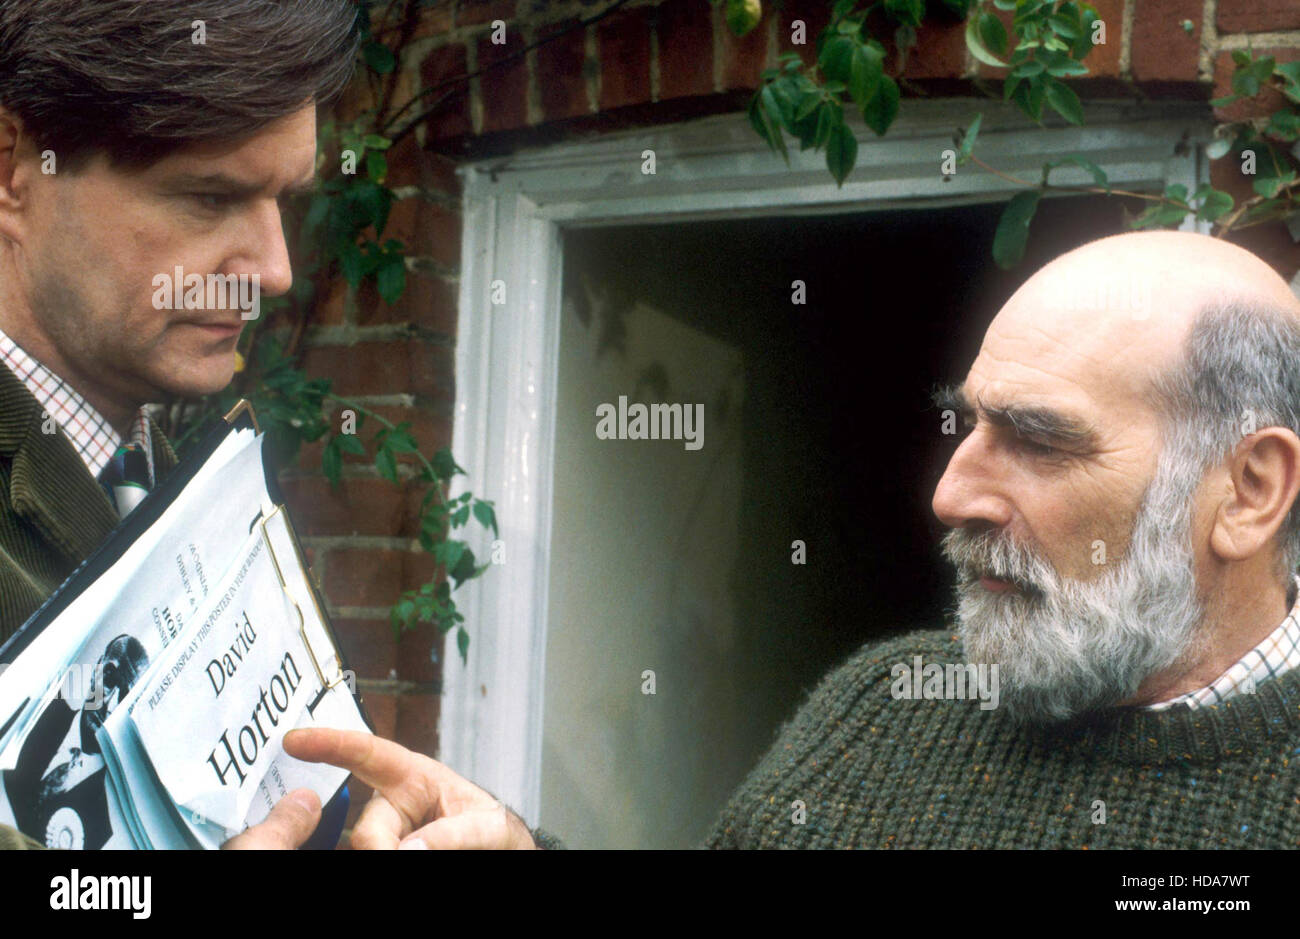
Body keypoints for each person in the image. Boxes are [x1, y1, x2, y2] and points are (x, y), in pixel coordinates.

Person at [240, 229, 1300, 849]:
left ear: (1248, 492)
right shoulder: (878, 710)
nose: (950, 493)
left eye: (1037, 441)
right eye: (968, 424)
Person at [0, 0, 358, 849]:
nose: (273, 272)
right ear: (14, 169)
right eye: (209, 197)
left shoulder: (196, 490)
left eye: (281, 201)